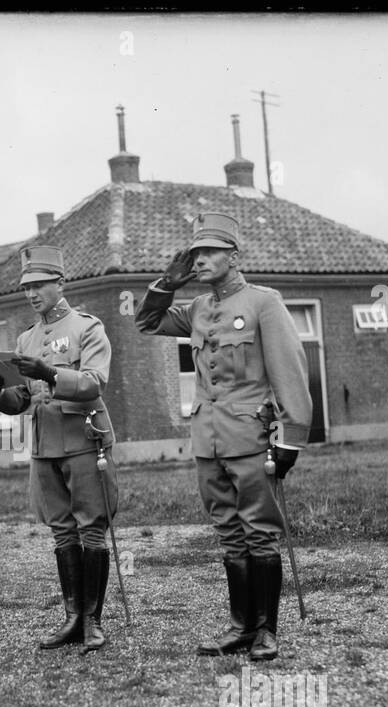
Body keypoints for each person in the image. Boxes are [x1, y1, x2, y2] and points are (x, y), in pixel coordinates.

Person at [133, 211, 311, 661]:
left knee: (259, 531)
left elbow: (289, 371)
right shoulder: (197, 308)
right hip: (207, 439)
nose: (200, 260)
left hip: (250, 436)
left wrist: (291, 437)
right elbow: (146, 323)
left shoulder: (262, 303)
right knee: (229, 533)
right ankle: (240, 627)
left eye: (209, 252)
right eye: (195, 254)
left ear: (233, 255)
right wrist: (167, 282)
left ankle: (267, 631)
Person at [0, 246, 118, 652]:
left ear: (61, 283)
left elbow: (95, 382)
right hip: (43, 447)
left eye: (39, 284)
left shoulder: (88, 328)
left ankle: (93, 619)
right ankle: (72, 617)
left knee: (91, 528)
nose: (32, 293)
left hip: (82, 440)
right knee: (61, 532)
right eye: (26, 287)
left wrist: (50, 372)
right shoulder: (26, 337)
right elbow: (22, 401)